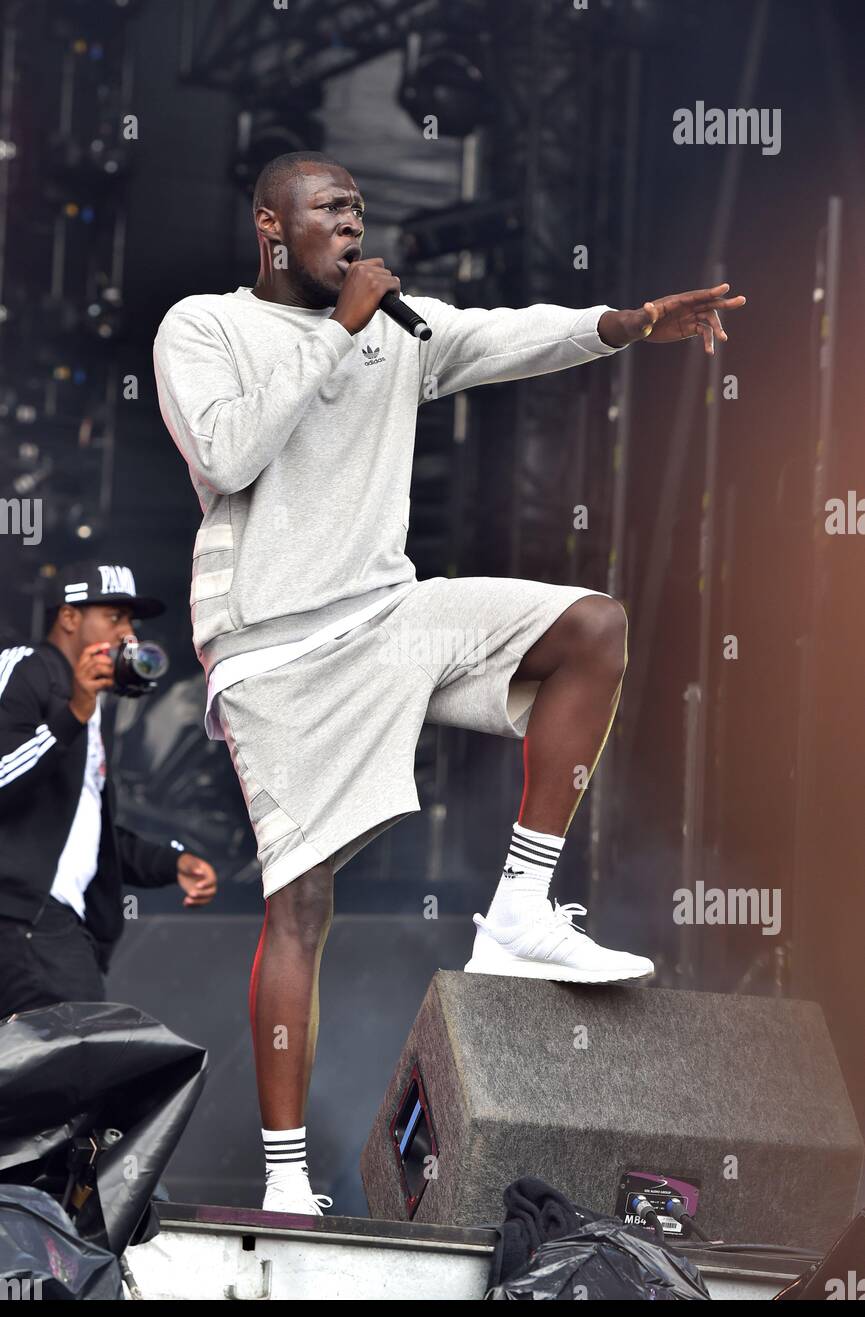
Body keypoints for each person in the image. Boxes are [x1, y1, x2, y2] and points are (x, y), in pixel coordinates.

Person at [152, 150, 745, 1214]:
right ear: (270, 227)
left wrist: (624, 321)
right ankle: (289, 1183)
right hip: (275, 648)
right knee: (301, 907)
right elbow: (229, 456)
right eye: (329, 208)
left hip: (388, 613)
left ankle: (521, 902)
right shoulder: (203, 326)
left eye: (357, 209)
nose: (349, 221)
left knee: (588, 626)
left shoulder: (398, 329)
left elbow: (505, 332)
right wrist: (337, 336)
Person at [0, 561, 218, 1020]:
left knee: (58, 1081)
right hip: (21, 921)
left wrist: (170, 861)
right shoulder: (26, 669)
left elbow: (88, 834)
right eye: (114, 617)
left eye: (131, 620)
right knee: (80, 1074)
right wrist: (72, 713)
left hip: (54, 926)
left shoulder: (92, 708)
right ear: (69, 617)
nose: (128, 633)